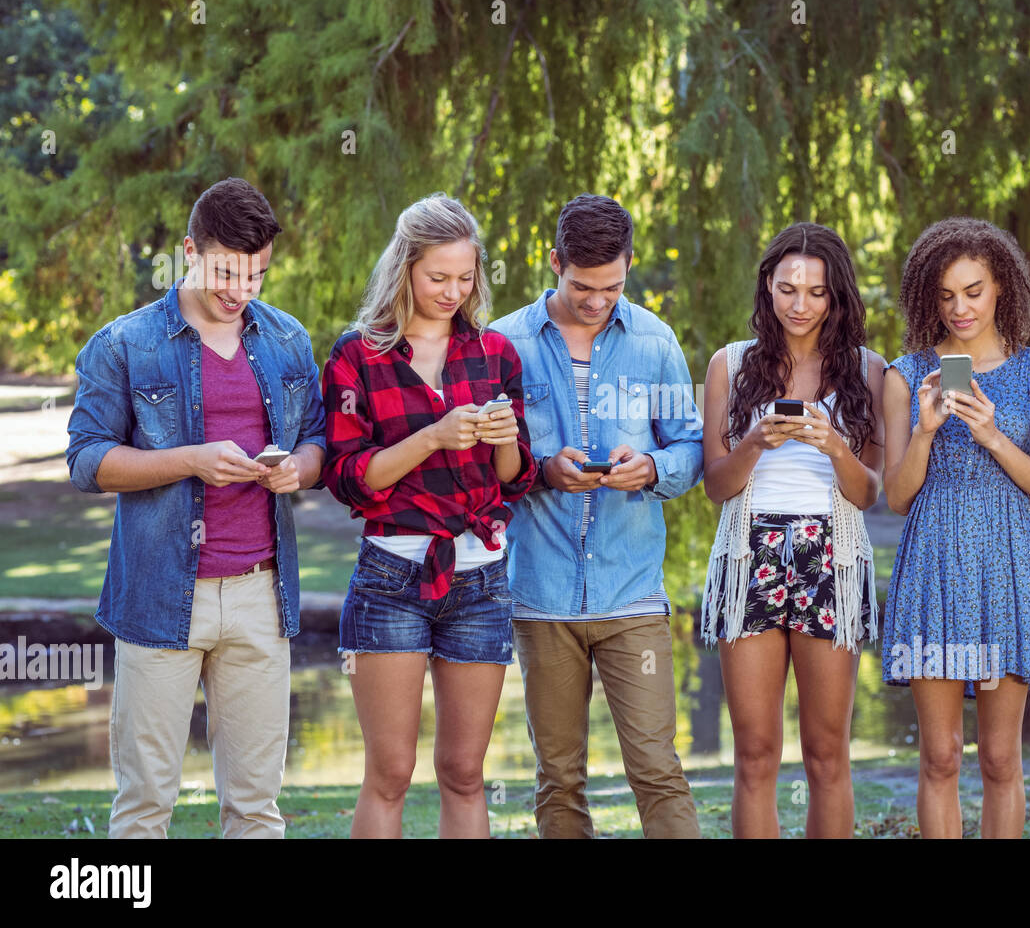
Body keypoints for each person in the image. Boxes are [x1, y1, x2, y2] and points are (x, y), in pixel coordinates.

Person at [66, 177, 325, 837]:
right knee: (145, 806)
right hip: (158, 596)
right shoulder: (125, 344)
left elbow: (319, 441)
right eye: (226, 273)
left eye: (257, 276)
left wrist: (297, 468)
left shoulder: (289, 340)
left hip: (259, 597)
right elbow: (88, 462)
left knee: (256, 810)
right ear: (190, 250)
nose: (240, 291)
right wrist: (191, 459)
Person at [321, 194, 536, 839]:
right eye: (437, 277)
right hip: (393, 575)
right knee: (389, 771)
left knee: (465, 773)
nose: (453, 290)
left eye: (465, 277)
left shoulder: (494, 353)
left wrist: (502, 437)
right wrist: (434, 437)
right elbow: (351, 480)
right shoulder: (358, 356)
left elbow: (515, 479)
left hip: (480, 579)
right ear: (405, 268)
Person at [489, 193, 702, 838]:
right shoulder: (506, 343)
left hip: (631, 594)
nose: (597, 300)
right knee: (558, 779)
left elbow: (690, 445)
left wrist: (653, 469)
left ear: (629, 266)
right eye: (583, 286)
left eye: (611, 286)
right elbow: (484, 462)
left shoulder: (655, 341)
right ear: (554, 262)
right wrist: (542, 470)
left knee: (657, 769)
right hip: (543, 595)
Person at [881, 217, 1030, 839]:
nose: (960, 308)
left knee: (999, 758)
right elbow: (899, 495)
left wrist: (990, 434)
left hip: (1007, 565)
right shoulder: (905, 376)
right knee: (939, 757)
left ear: (1002, 289)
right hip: (933, 564)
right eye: (945, 295)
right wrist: (926, 430)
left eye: (974, 291)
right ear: (926, 299)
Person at [700, 222, 885, 839]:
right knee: (754, 754)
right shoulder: (729, 364)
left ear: (838, 296)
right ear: (768, 288)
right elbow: (716, 486)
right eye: (787, 289)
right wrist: (754, 441)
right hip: (748, 555)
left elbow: (867, 493)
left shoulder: (868, 369)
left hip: (830, 557)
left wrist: (834, 445)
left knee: (827, 755)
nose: (800, 305)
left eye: (816, 292)